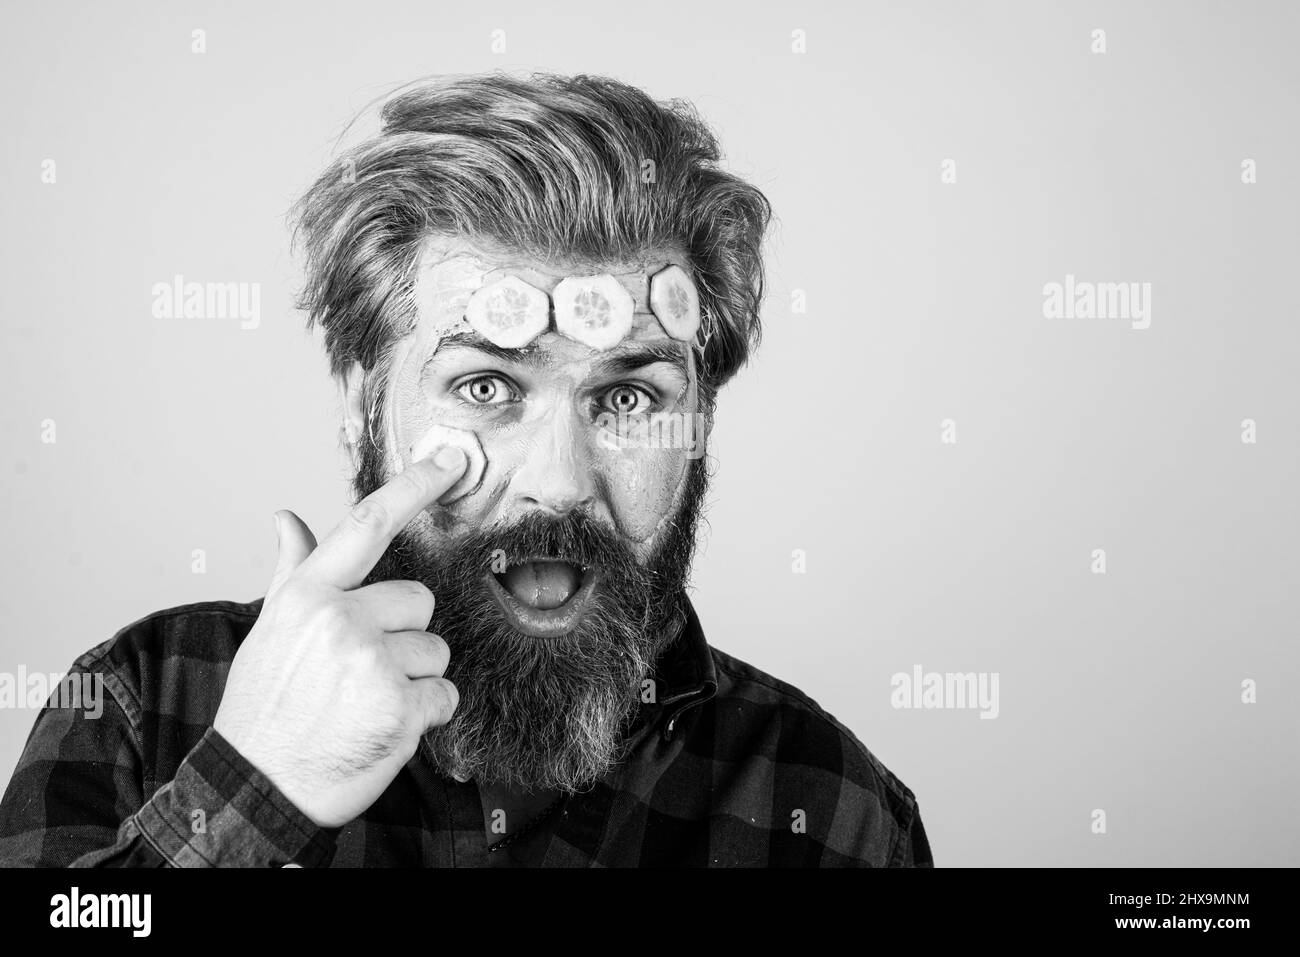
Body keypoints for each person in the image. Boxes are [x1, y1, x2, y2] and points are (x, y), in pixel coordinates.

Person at [0, 72, 932, 867]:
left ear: (701, 421)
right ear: (364, 402)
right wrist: (254, 789)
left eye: (630, 398)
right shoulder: (147, 707)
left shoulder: (831, 805)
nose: (560, 482)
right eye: (486, 385)